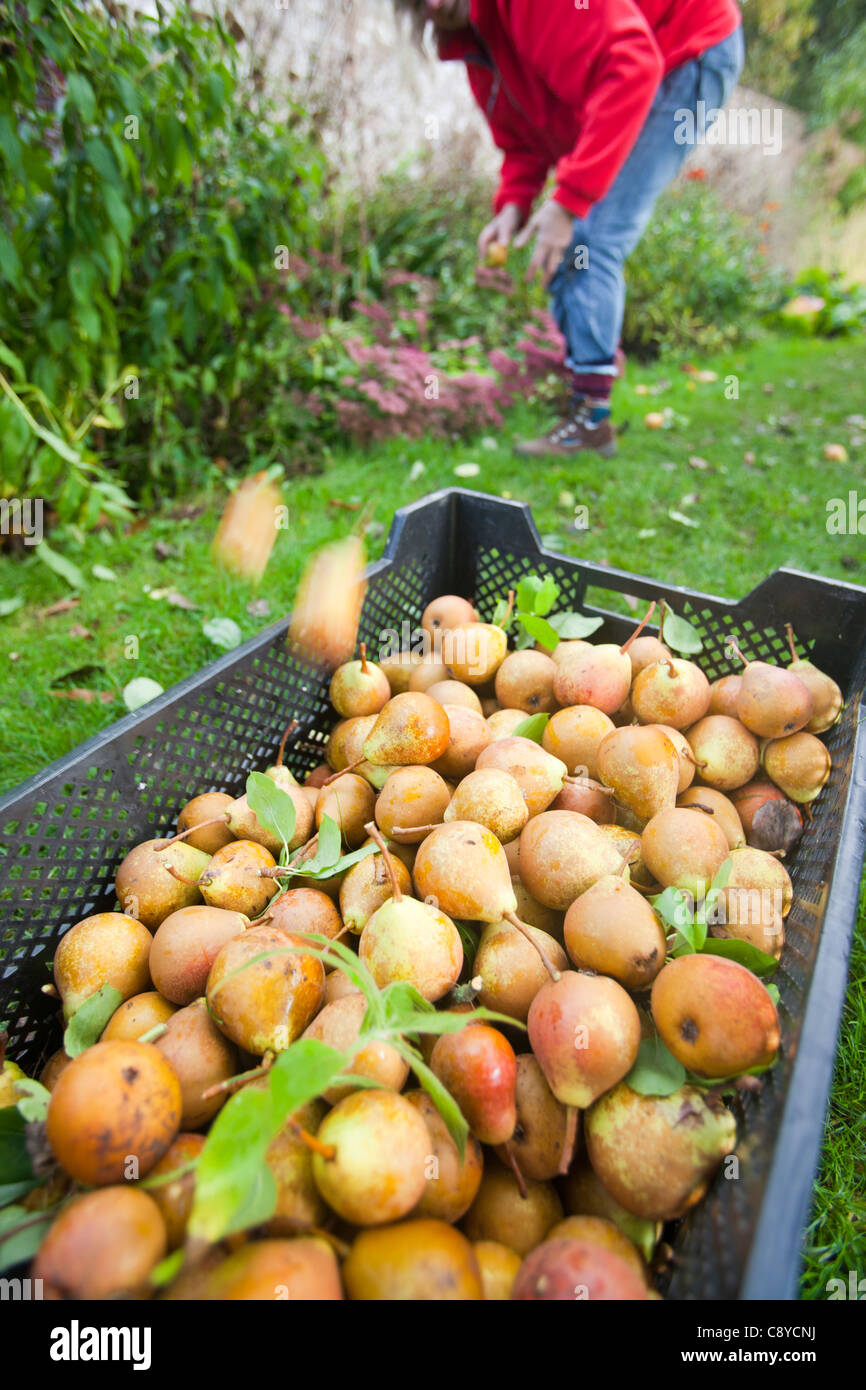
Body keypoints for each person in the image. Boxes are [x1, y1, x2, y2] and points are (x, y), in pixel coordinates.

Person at [393, 0, 744, 458]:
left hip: (686, 49)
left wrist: (569, 199)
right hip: (646, 64)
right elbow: (524, 139)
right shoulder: (479, 43)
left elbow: (632, 66)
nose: (435, 3)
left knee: (591, 243)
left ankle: (592, 422)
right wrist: (514, 205)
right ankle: (583, 405)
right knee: (565, 245)